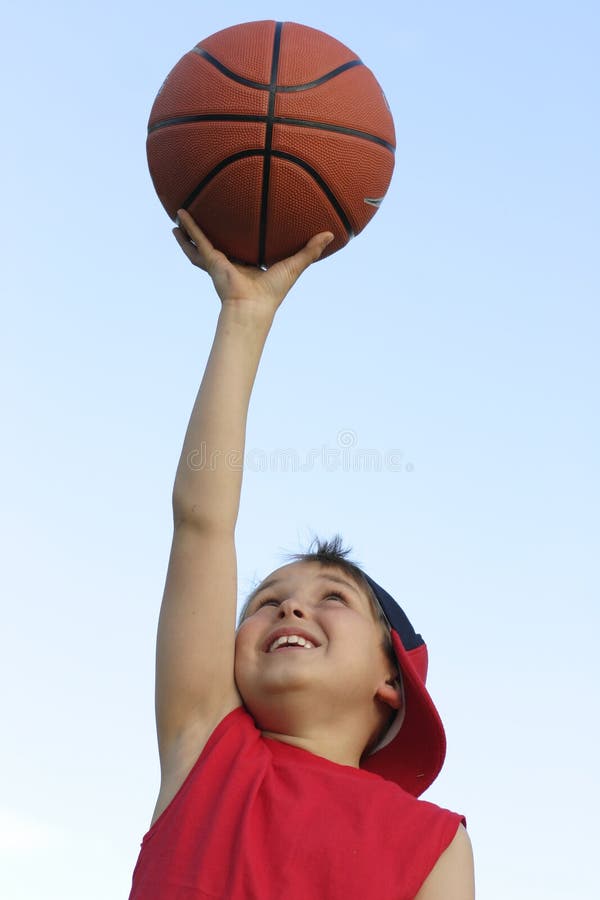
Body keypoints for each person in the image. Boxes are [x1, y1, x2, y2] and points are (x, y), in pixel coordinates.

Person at [128, 210, 475, 899]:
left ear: (391, 681)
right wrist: (243, 316)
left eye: (333, 599)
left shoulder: (435, 841)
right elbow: (201, 524)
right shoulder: (205, 746)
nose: (289, 603)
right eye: (263, 600)